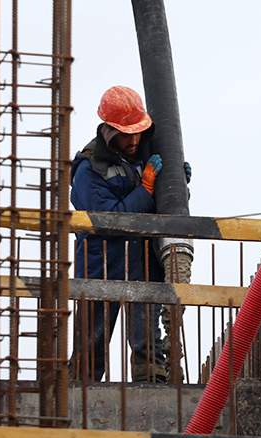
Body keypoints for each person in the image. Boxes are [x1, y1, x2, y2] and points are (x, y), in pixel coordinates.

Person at [70, 85, 169, 382]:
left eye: (139, 132)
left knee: (146, 330)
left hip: (140, 257)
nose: (135, 140)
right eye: (128, 134)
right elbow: (110, 220)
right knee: (93, 334)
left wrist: (173, 180)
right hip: (101, 261)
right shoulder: (89, 170)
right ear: (110, 131)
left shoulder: (139, 154)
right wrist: (147, 188)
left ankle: (150, 380)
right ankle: (80, 387)